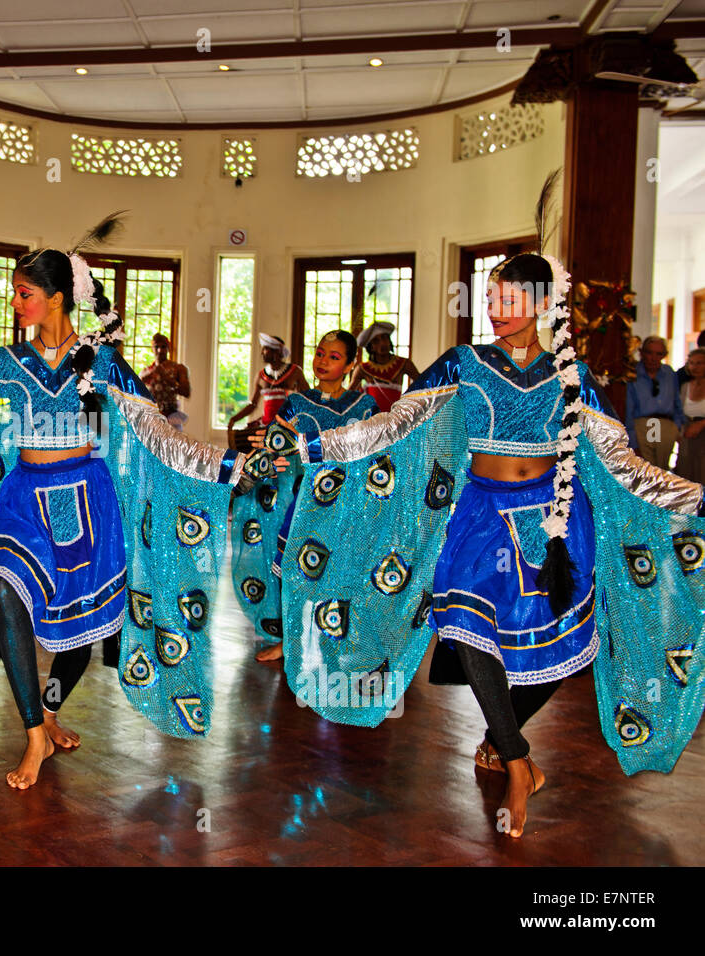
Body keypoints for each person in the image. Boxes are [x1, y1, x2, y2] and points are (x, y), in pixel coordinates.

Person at [271, 251, 705, 839]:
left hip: (554, 521)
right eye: (491, 298)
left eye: (509, 299)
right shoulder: (464, 363)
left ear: (542, 304)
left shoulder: (573, 375)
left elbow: (622, 462)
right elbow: (395, 423)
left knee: (561, 651)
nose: (496, 310)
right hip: (479, 515)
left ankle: (501, 741)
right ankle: (519, 760)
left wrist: (694, 498)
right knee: (467, 626)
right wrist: (316, 448)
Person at [0, 232, 257, 790]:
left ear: (56, 297)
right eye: (14, 293)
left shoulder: (103, 363)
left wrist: (231, 465)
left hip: (87, 497)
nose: (14, 303)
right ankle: (32, 734)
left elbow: (156, 433)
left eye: (23, 293)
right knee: (5, 593)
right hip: (24, 493)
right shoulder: (3, 361)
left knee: (84, 625)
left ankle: (49, 709)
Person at [231, 329, 376, 664]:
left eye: (334, 356)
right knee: (293, 570)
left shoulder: (364, 406)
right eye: (320, 353)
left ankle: (339, 640)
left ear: (352, 364)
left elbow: (372, 456)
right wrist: (242, 478)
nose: (323, 361)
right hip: (306, 500)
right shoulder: (297, 403)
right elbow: (273, 447)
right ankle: (290, 641)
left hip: (349, 503)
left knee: (343, 571)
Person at [227, 333, 308, 452]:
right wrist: (234, 419)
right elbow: (253, 405)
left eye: (265, 349)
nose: (262, 353)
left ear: (276, 352)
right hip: (265, 425)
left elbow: (307, 399)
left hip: (288, 425)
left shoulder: (295, 372)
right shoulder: (261, 376)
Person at [624, 335, 683, 470]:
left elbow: (676, 401)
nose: (653, 358)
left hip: (666, 425)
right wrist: (632, 438)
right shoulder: (633, 373)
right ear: (642, 353)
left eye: (659, 354)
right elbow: (629, 408)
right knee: (646, 469)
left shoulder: (669, 373)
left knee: (663, 469)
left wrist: (678, 427)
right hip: (644, 424)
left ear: (664, 355)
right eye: (649, 352)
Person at [352, 320, 420, 413]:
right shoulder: (362, 368)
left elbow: (422, 383)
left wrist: (410, 402)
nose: (382, 343)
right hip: (370, 418)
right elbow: (349, 394)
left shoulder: (404, 363)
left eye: (384, 338)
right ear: (371, 347)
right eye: (376, 341)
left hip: (395, 416)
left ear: (389, 341)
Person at [141, 332, 191, 430]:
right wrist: (153, 373)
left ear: (168, 348)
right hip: (152, 418)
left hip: (171, 417)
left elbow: (186, 392)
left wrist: (168, 379)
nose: (160, 350)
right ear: (152, 349)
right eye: (156, 347)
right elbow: (135, 390)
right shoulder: (146, 371)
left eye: (163, 347)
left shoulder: (178, 369)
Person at [677, 348, 705, 482]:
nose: (695, 367)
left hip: (703, 433)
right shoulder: (685, 386)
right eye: (692, 363)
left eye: (700, 363)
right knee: (685, 474)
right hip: (687, 434)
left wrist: (701, 424)